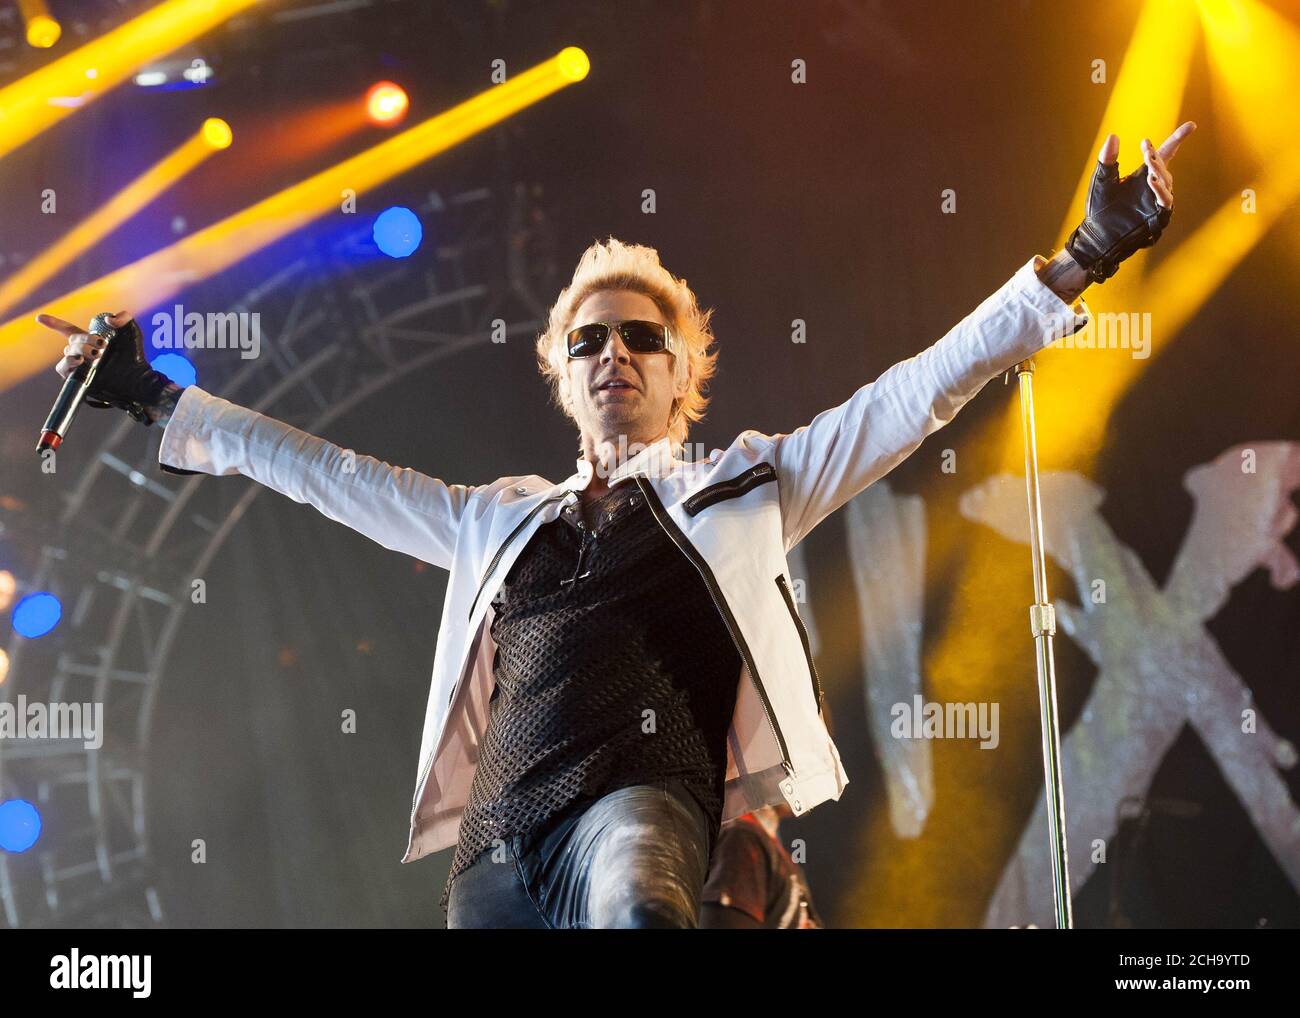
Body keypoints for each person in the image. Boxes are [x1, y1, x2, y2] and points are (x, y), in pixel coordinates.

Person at [41, 125, 1194, 928]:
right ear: (559, 373)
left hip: (641, 800)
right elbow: (321, 472)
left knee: (642, 909)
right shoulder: (495, 521)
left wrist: (1079, 259)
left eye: (641, 337)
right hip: (496, 845)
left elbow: (913, 394)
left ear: (684, 372)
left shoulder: (745, 483)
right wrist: (157, 398)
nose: (613, 355)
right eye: (588, 340)